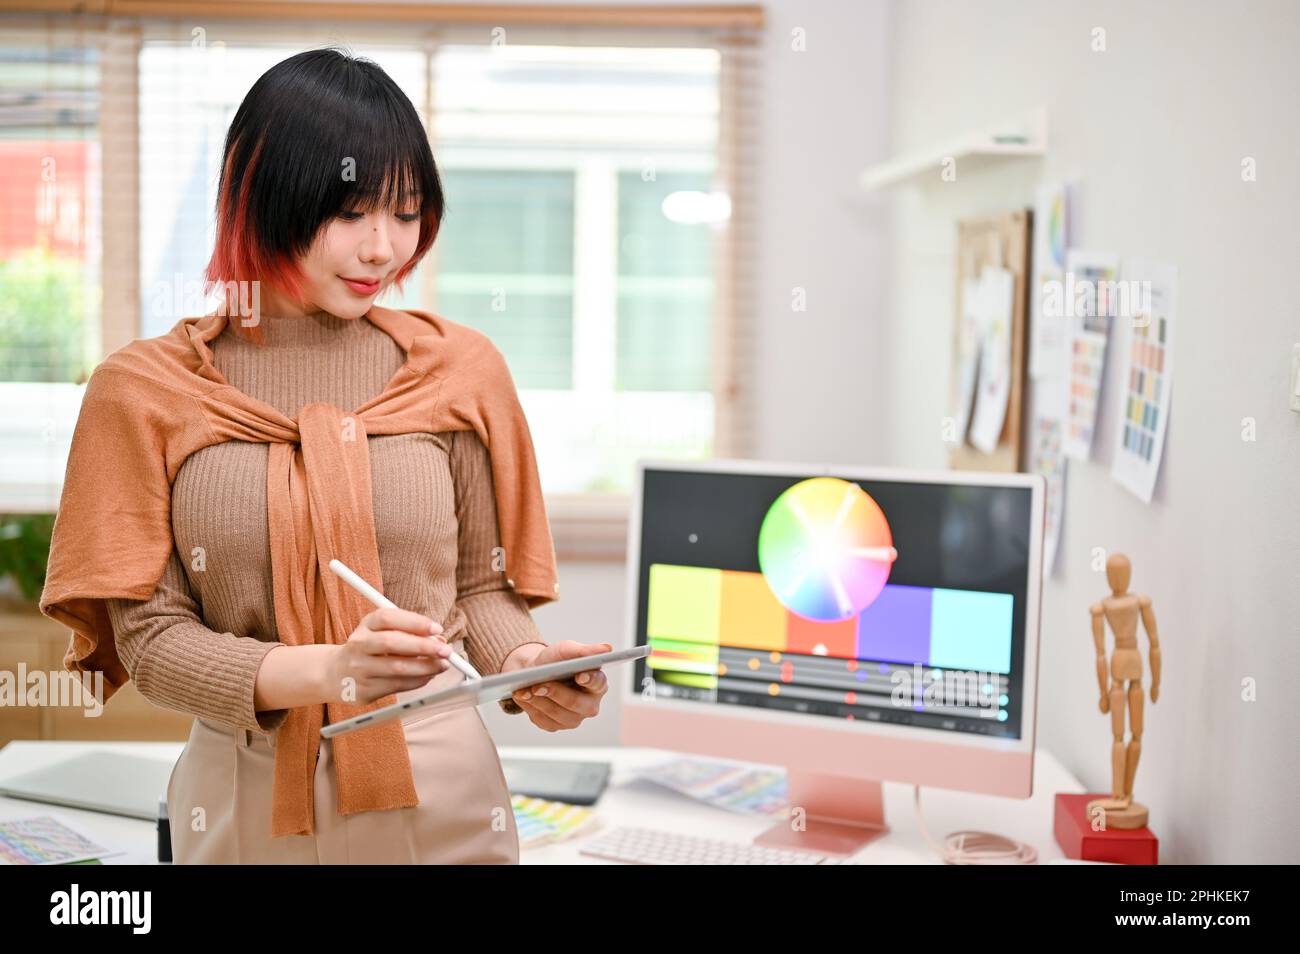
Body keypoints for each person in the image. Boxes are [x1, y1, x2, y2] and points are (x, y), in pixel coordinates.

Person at [101, 47, 610, 863]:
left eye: (406, 213)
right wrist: (329, 670)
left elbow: (478, 589)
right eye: (351, 213)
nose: (384, 248)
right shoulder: (146, 390)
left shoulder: (456, 369)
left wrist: (527, 664)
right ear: (262, 197)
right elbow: (151, 642)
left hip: (444, 785)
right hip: (243, 797)